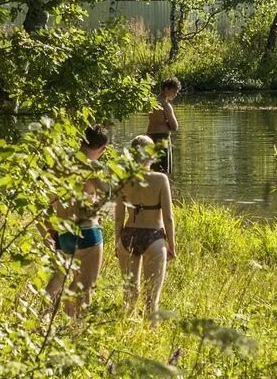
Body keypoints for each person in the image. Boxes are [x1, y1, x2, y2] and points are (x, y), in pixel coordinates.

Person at [45, 125, 111, 317]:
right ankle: (77, 326)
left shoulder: (60, 165)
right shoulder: (93, 168)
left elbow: (50, 200)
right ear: (102, 149)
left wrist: (51, 228)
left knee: (60, 277)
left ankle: (43, 316)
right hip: (88, 231)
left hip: (64, 233)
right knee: (86, 285)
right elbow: (109, 194)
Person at [114, 134, 176, 319]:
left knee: (129, 295)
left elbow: (118, 217)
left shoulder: (123, 179)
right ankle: (151, 335)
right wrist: (172, 244)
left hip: (128, 236)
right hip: (153, 237)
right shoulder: (160, 179)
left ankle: (127, 332)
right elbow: (168, 217)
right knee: (152, 299)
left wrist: (117, 242)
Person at [145, 77, 180, 175]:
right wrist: (168, 123)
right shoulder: (165, 105)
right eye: (174, 92)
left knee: (150, 169)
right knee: (163, 171)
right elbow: (174, 126)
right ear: (166, 89)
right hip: (162, 138)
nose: (175, 95)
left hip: (149, 137)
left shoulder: (152, 102)